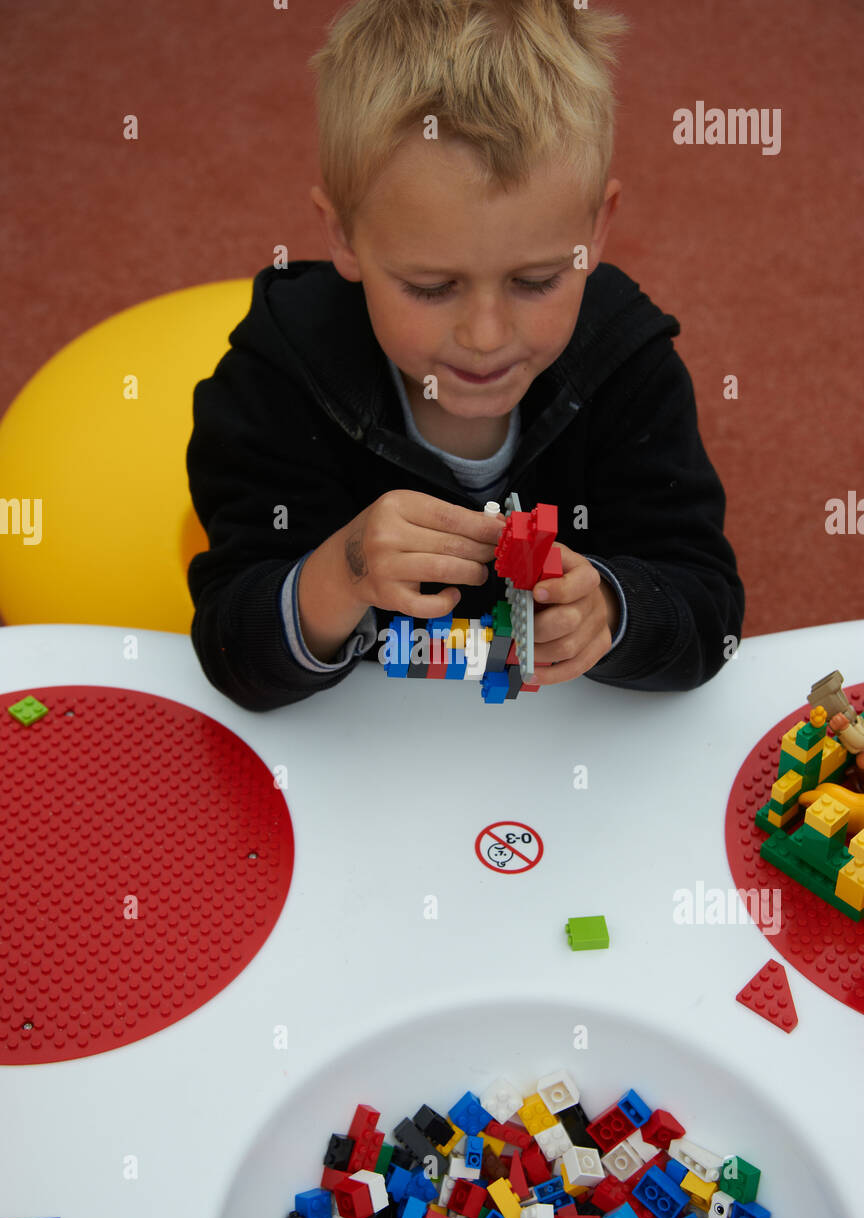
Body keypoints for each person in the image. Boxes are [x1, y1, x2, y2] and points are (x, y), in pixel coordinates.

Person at [186, 0, 744, 711]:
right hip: (366, 756)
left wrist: (611, 608)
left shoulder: (627, 366)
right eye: (431, 287)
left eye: (535, 280)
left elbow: (709, 610)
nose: (486, 335)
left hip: (562, 755)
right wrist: (341, 572)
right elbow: (234, 654)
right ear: (346, 238)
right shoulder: (277, 380)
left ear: (595, 230)